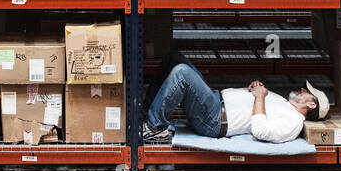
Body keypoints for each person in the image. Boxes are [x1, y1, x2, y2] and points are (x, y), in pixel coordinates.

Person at [140, 59, 330, 144]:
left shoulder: (293, 123)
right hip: (215, 100)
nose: (302, 90)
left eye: (307, 93)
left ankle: (154, 128)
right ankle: (148, 114)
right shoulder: (284, 103)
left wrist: (260, 97)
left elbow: (261, 130)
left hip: (214, 120)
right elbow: (257, 103)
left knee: (181, 72)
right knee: (173, 59)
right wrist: (255, 89)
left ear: (311, 105)